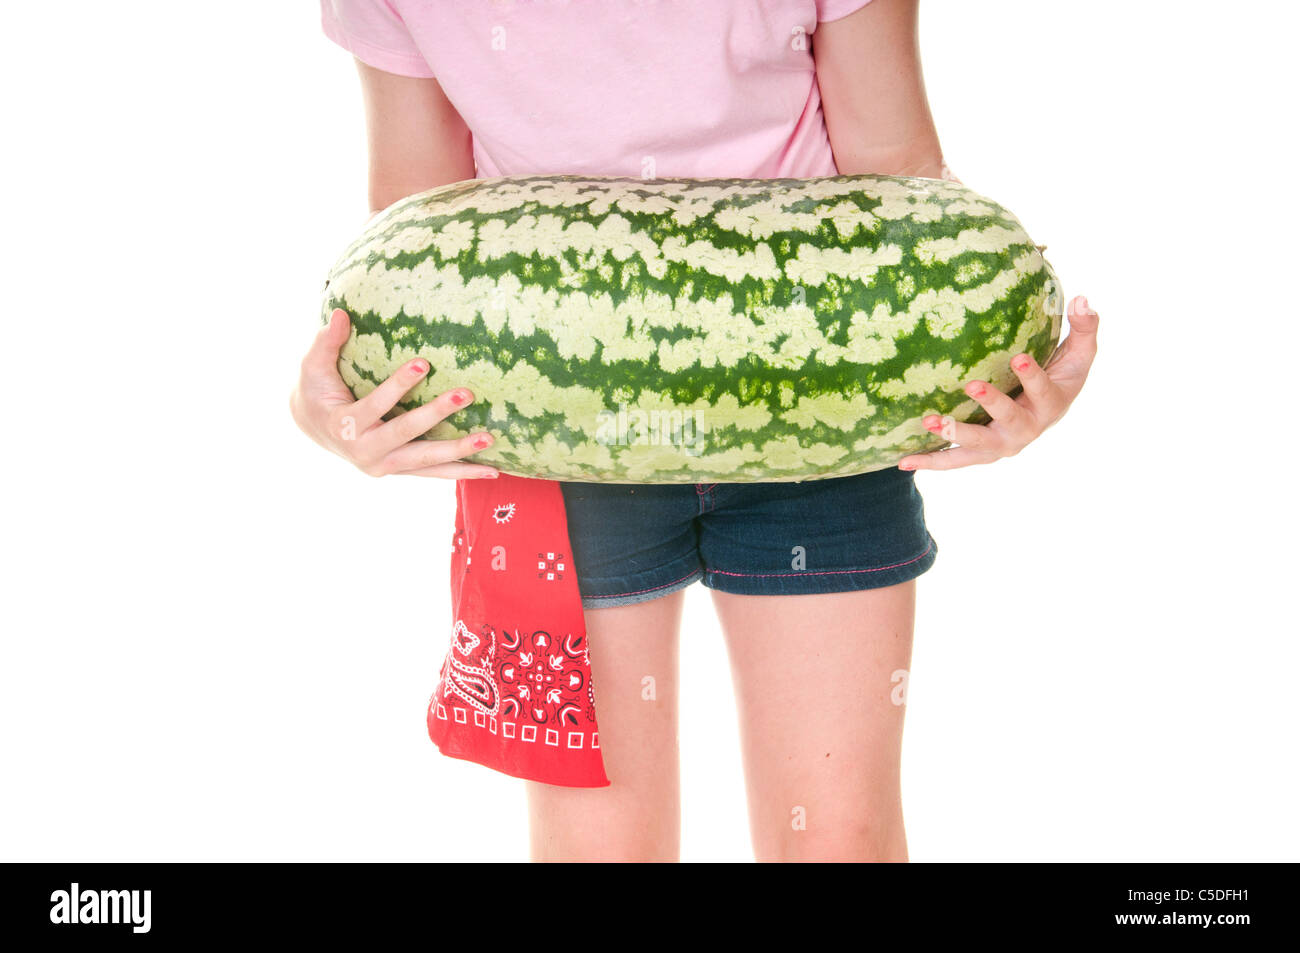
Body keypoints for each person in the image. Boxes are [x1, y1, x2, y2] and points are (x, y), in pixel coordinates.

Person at [291, 0, 1099, 862]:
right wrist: (331, 409)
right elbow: (415, 226)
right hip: (558, 448)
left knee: (838, 840)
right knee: (600, 848)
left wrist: (994, 378)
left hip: (822, 410)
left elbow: (901, 175)